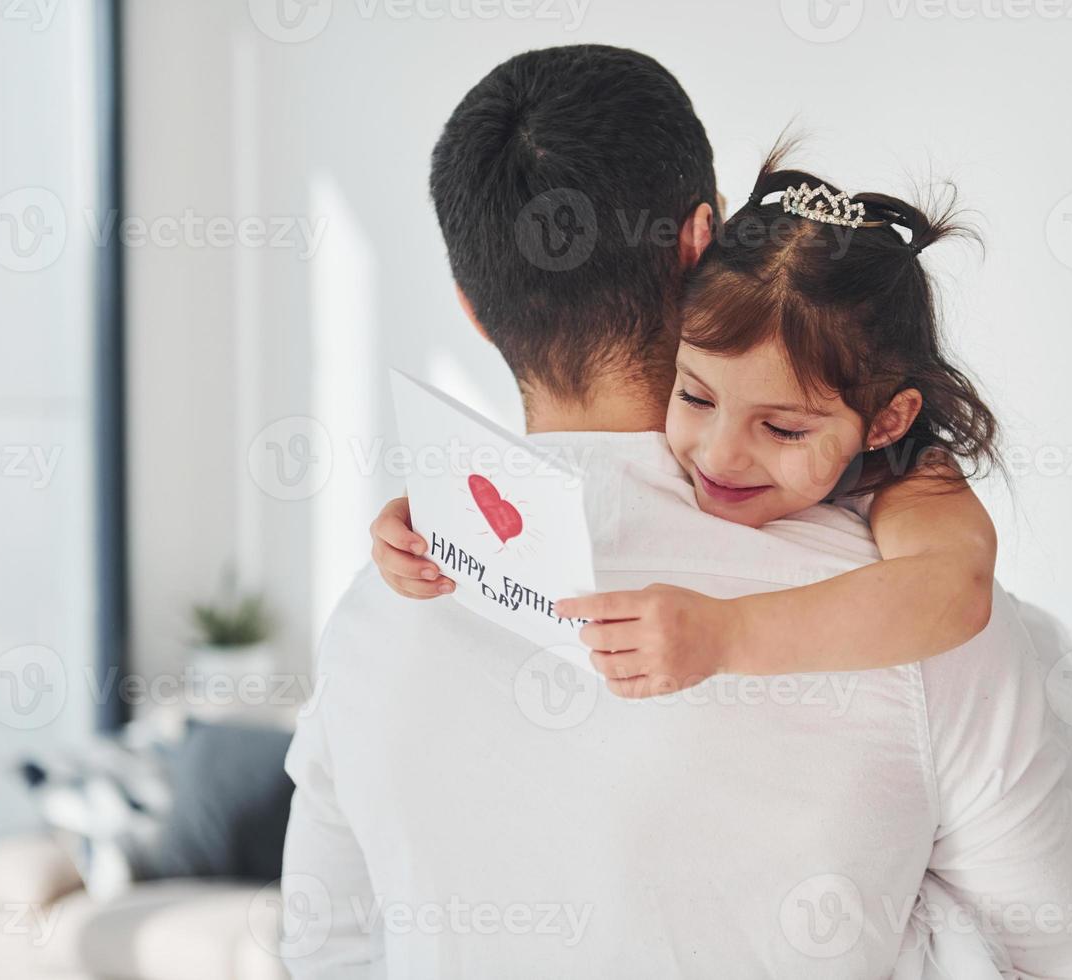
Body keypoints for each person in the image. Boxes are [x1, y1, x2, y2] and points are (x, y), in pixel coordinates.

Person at [282, 44, 1072, 978]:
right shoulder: (909, 619)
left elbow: (322, 955)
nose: (731, 450)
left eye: (780, 425)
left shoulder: (376, 613)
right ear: (700, 241)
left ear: (471, 305)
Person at [370, 141, 1000, 693]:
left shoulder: (910, 475)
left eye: (783, 429)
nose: (720, 454)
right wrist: (425, 518)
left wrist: (727, 634)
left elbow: (954, 590)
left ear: (887, 421)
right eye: (695, 397)